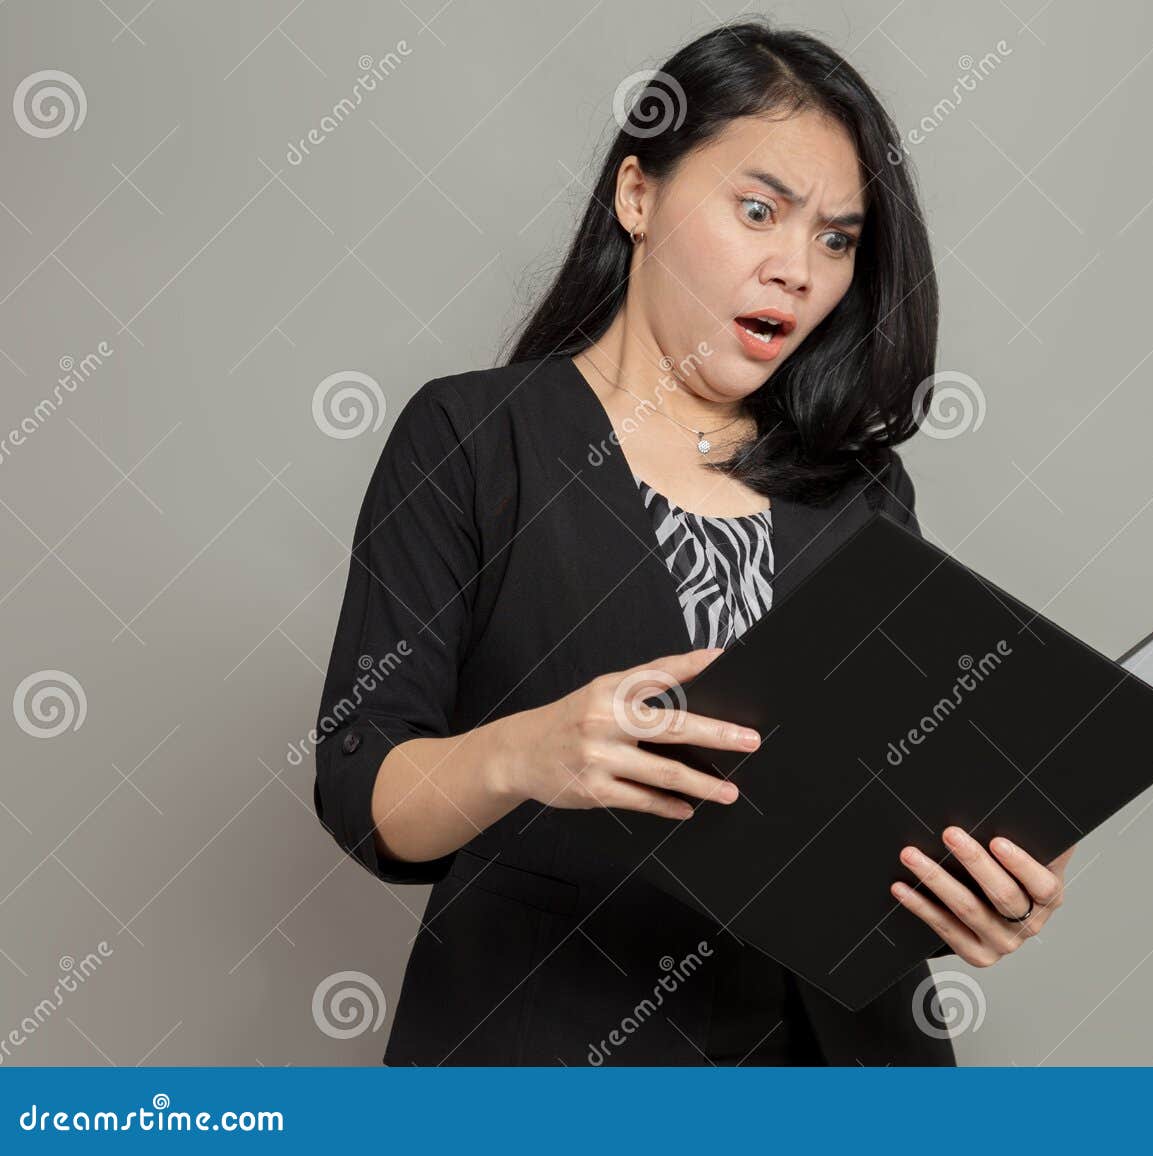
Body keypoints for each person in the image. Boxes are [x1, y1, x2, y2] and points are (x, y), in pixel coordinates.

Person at [311, 18, 1074, 1066]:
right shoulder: (473, 440)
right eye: (758, 210)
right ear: (638, 195)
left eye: (837, 238)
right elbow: (361, 790)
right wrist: (530, 749)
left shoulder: (861, 489)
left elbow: (901, 782)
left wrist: (984, 873)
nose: (797, 268)